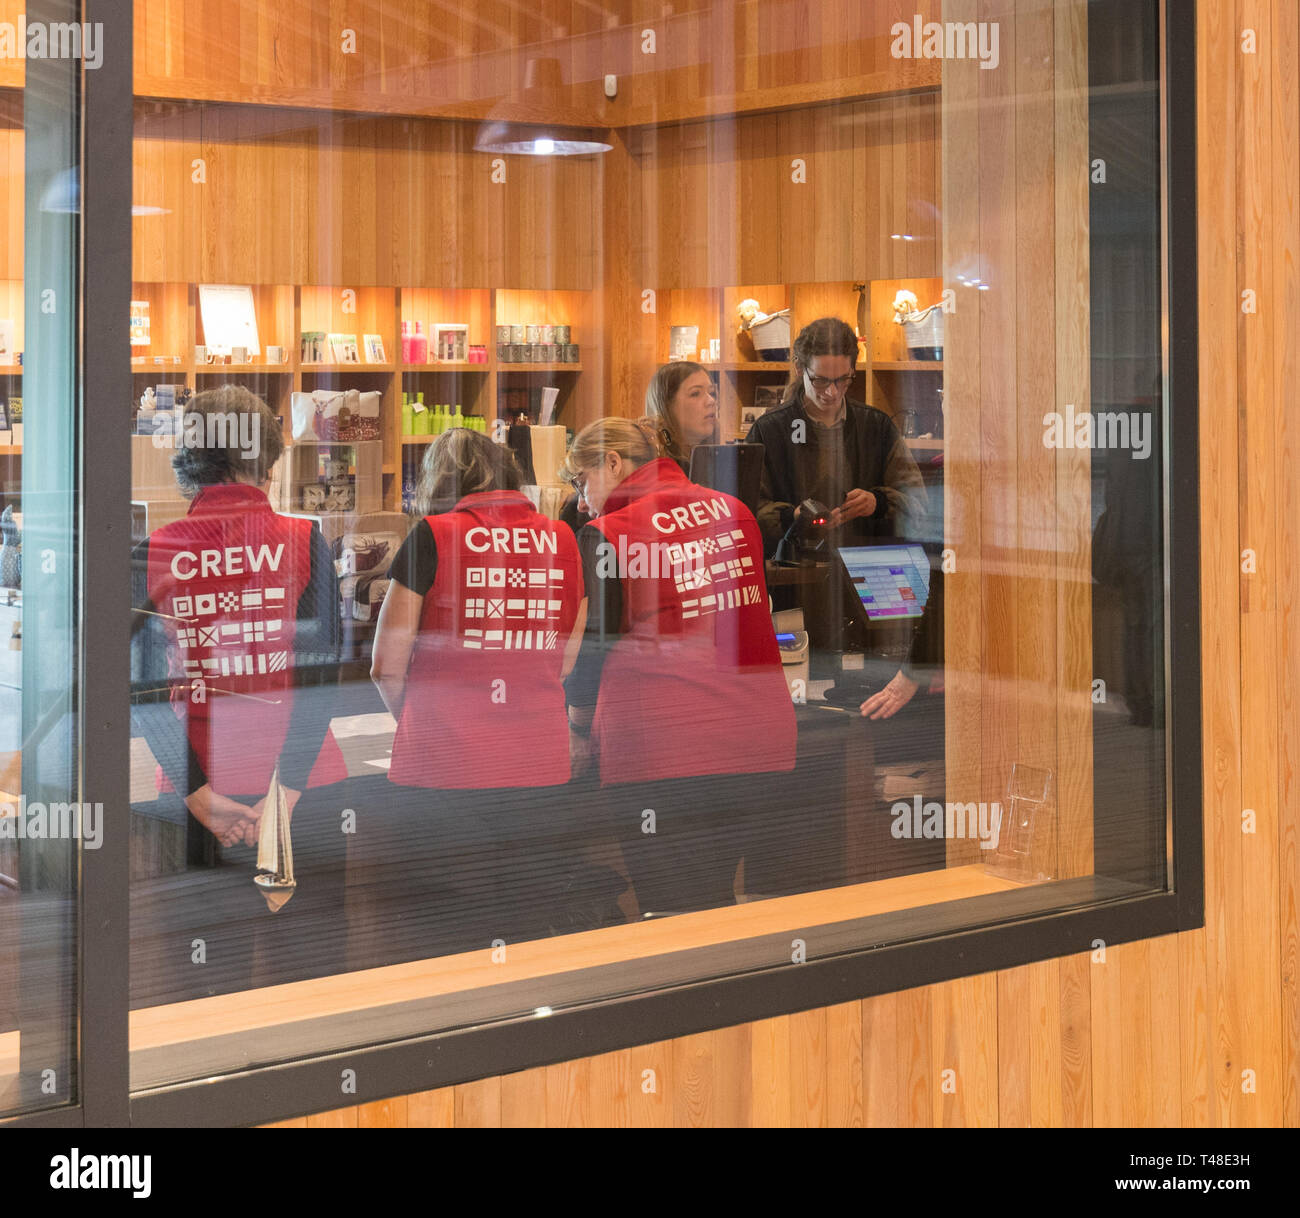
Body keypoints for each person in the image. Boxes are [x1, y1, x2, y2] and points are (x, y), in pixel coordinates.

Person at [129, 385, 347, 1002]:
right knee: (316, 999)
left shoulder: (153, 550)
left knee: (204, 996)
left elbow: (139, 690)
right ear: (271, 461)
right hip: (308, 792)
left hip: (195, 792)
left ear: (187, 459)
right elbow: (323, 677)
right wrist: (285, 795)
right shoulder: (307, 540)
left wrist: (198, 795)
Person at [363, 428, 590, 949]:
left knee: (444, 939)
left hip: (445, 768)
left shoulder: (434, 534)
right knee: (526, 928)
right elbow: (564, 661)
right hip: (539, 767)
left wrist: (423, 718)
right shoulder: (562, 536)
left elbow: (385, 666)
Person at [563, 418, 797, 915]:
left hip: (668, 752)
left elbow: (594, 644)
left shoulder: (609, 532)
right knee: (709, 902)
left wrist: (579, 727)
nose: (582, 501)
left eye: (582, 482)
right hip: (758, 740)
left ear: (612, 462)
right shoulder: (733, 510)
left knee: (673, 913)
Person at [745, 316, 928, 719]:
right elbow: (745, 513)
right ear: (799, 369)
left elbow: (918, 502)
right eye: (821, 380)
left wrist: (879, 501)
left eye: (843, 380)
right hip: (796, 585)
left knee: (868, 700)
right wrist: (792, 515)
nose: (832, 392)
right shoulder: (770, 430)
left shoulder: (875, 426)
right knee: (802, 701)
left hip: (871, 583)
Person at [559, 361, 719, 536]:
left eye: (712, 393)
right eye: (695, 394)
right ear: (666, 405)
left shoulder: (719, 463)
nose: (711, 401)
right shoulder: (655, 473)